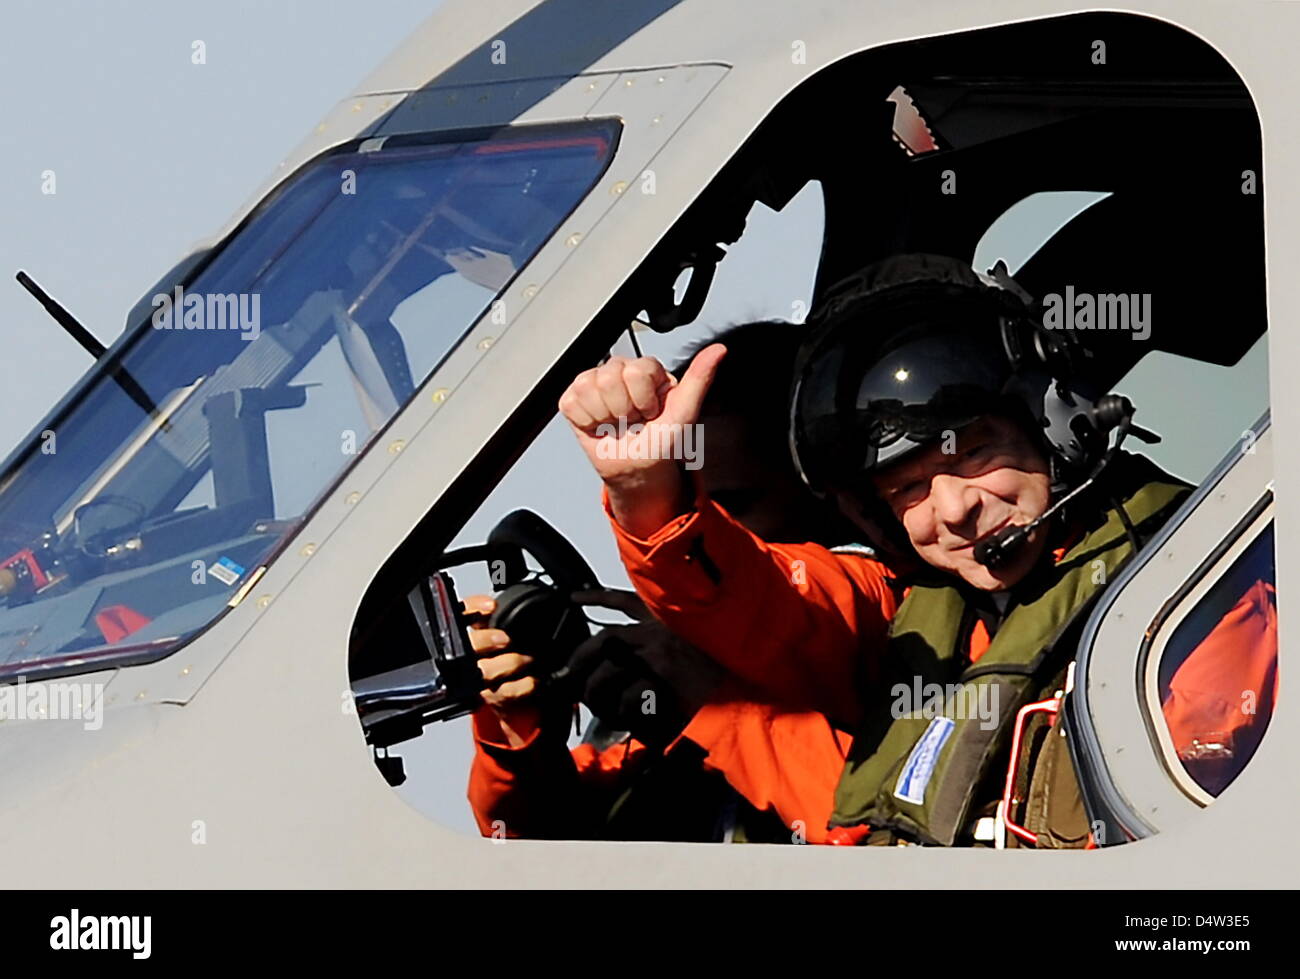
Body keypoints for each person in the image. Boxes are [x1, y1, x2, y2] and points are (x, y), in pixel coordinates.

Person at [559, 253, 1276, 847]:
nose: (954, 507)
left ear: (1050, 422)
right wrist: (648, 492)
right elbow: (760, 601)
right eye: (908, 489)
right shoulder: (909, 614)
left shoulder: (1204, 585)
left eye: (976, 450)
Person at [466, 320, 879, 842]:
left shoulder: (872, 603)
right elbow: (527, 847)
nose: (703, 530)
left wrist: (646, 496)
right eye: (689, 504)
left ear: (827, 496)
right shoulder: (672, 691)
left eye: (725, 510)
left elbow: (891, 848)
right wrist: (519, 729)